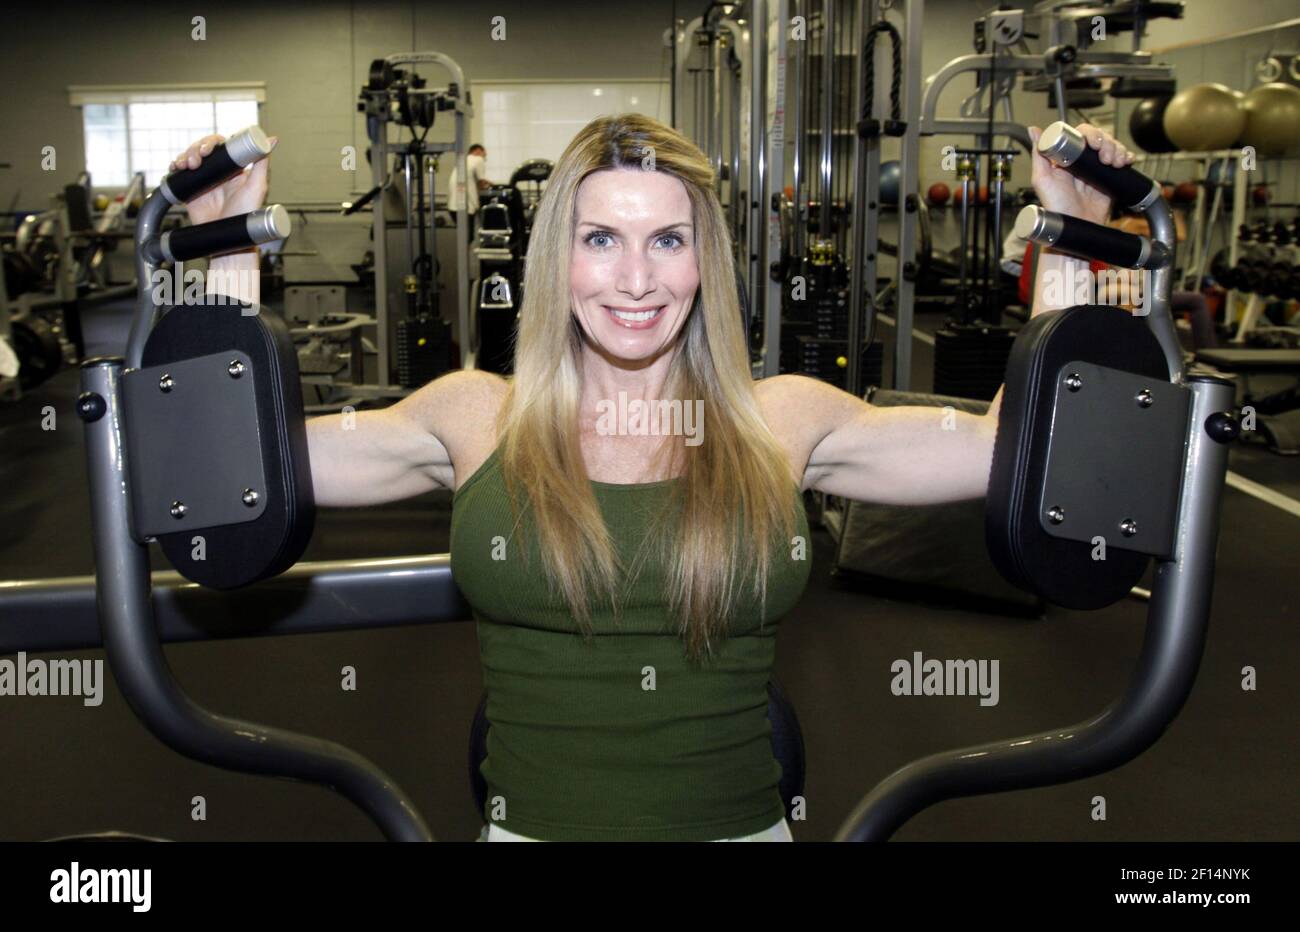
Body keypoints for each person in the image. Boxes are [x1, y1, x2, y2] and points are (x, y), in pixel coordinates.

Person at [171, 114, 1133, 842]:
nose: (636, 280)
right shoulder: (474, 416)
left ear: (704, 260)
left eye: (667, 241)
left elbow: (1021, 454)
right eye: (602, 240)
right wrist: (219, 253)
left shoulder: (779, 420)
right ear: (560, 259)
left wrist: (1078, 240)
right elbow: (236, 470)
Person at [448, 143, 491, 246]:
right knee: (468, 238)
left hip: (452, 207)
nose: (484, 158)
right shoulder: (477, 159)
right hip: (465, 207)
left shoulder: (462, 161)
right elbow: (482, 183)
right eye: (484, 155)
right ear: (477, 151)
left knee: (465, 237)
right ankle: (465, 262)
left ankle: (463, 261)